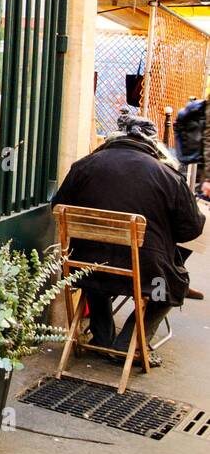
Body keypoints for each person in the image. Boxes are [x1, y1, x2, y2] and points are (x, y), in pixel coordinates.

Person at [51, 117, 204, 364]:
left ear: (116, 136)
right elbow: (191, 229)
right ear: (152, 144)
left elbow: (58, 207)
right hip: (145, 273)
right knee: (171, 287)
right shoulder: (168, 176)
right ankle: (129, 343)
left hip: (85, 268)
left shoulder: (84, 166)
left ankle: (102, 338)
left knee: (94, 275)